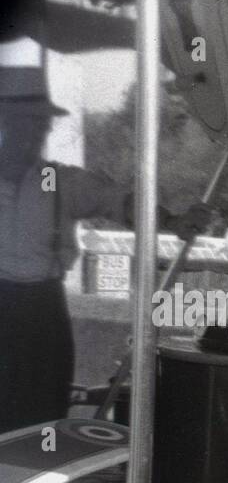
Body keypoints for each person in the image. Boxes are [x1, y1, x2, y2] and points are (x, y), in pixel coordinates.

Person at [0, 66, 214, 434]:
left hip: (41, 311)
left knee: (41, 415)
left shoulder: (57, 181)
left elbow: (118, 201)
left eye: (40, 125)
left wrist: (174, 221)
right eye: (24, 123)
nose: (33, 134)